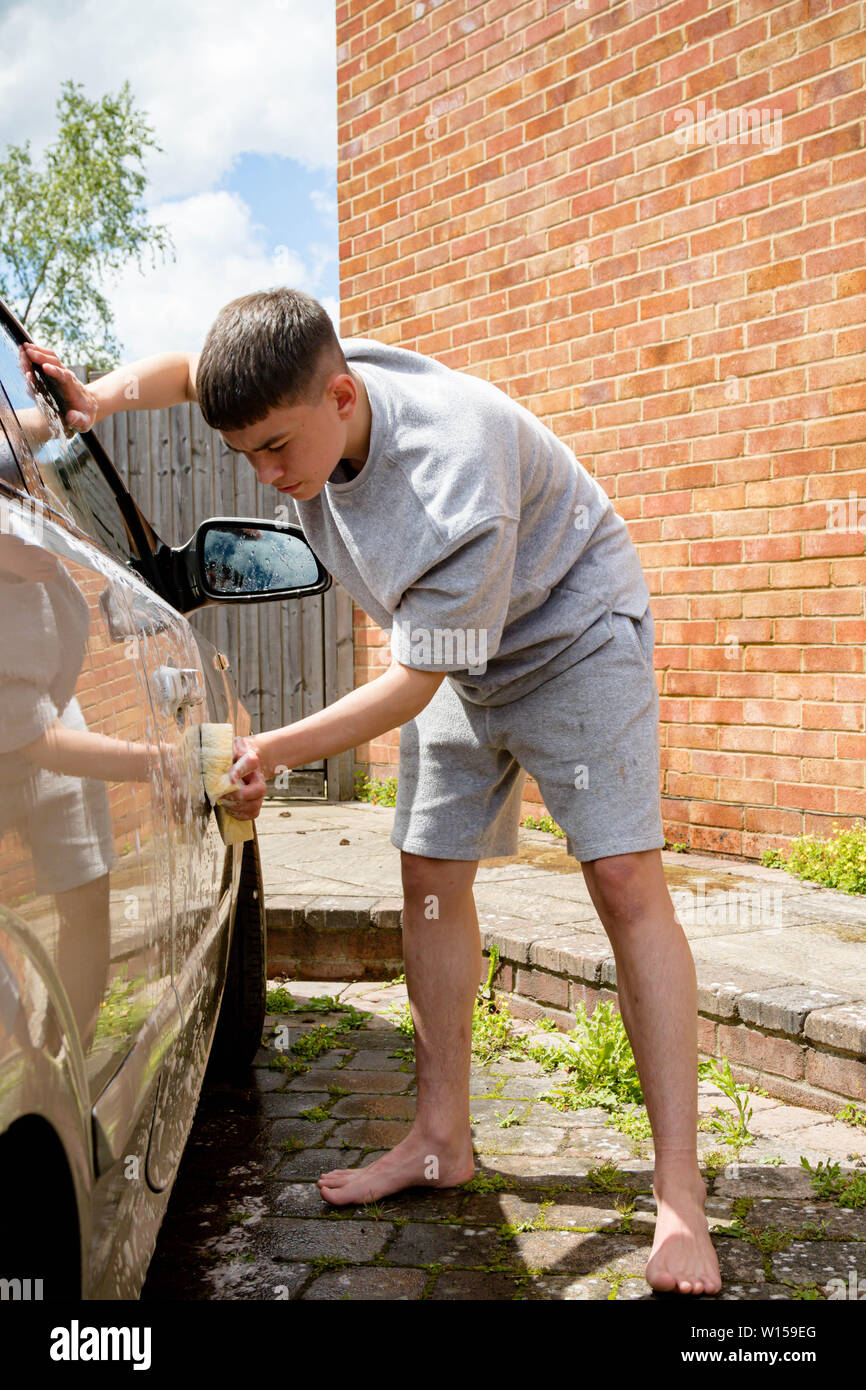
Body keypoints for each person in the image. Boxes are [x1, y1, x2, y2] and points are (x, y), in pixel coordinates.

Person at [26, 288, 722, 1296]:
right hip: (452, 643)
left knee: (621, 881)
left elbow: (409, 685)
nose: (268, 478)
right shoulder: (299, 381)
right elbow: (190, 375)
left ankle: (678, 1198)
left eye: (274, 448)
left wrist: (259, 748)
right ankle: (441, 1136)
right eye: (245, 455)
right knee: (429, 872)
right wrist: (99, 395)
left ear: (342, 396)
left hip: (568, 633)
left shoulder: (454, 479)